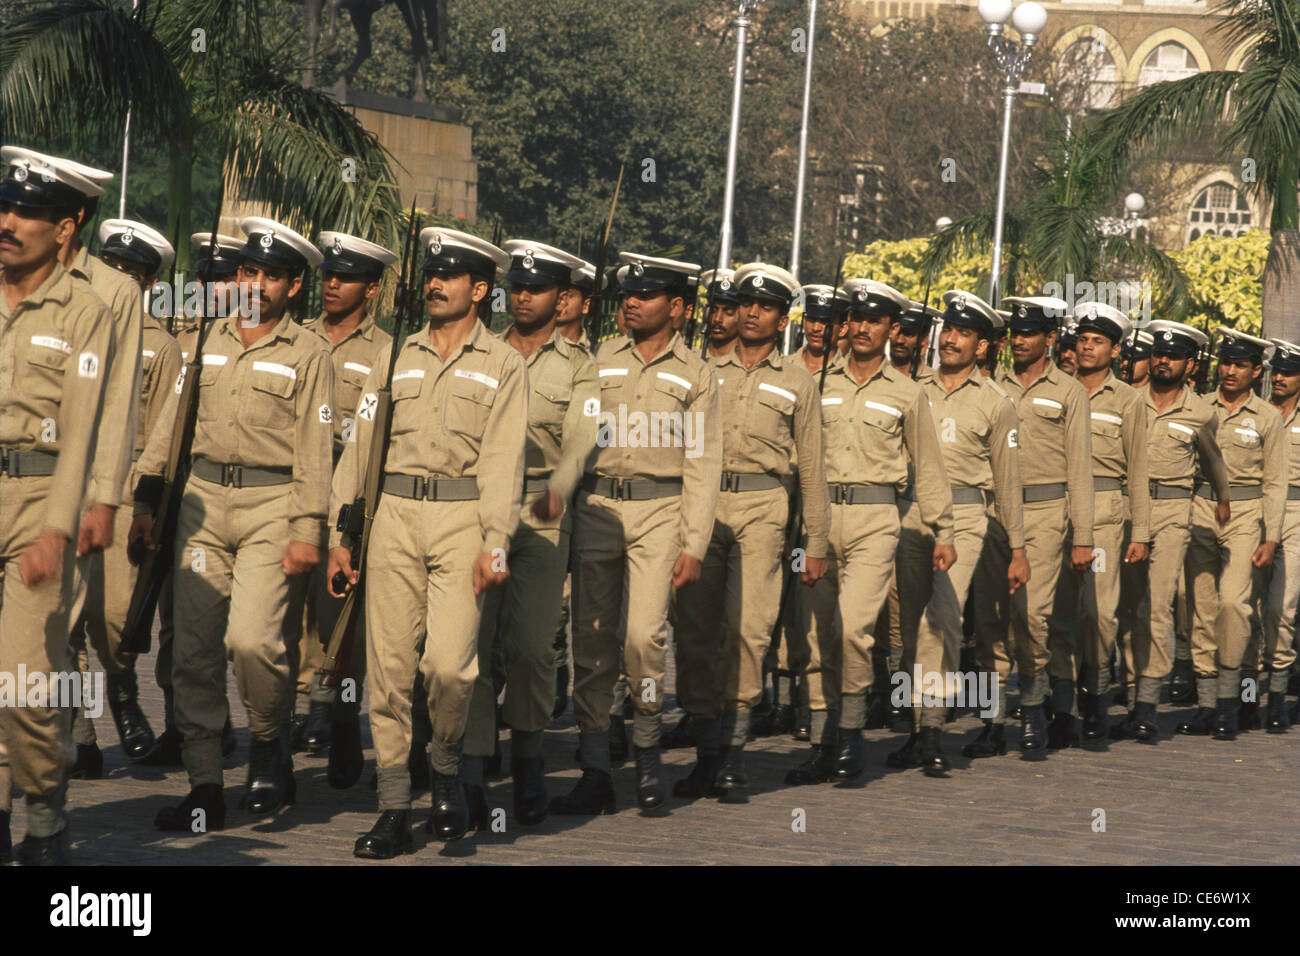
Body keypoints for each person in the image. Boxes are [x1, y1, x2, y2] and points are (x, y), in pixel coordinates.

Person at [328, 227, 525, 855]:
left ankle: (444, 764)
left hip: (463, 521)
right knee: (386, 672)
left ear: (481, 289)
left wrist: (497, 540)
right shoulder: (394, 355)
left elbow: (503, 462)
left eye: (451, 276)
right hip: (393, 517)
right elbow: (360, 446)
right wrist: (342, 532)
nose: (435, 284)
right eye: (432, 275)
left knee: (449, 667)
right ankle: (392, 806)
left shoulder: (504, 365)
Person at [133, 217, 334, 830]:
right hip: (199, 503)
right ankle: (203, 785)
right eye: (250, 270)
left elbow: (316, 448)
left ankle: (269, 744)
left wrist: (308, 530)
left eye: (273, 275)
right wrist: (146, 501)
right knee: (193, 652)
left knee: (252, 641)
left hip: (273, 508)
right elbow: (170, 425)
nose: (258, 283)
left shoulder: (309, 352)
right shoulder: (203, 340)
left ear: (294, 287)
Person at [554, 252, 722, 814]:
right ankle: (596, 767)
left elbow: (703, 465)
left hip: (661, 513)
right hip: (600, 507)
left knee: (643, 640)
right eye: (628, 293)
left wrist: (694, 543)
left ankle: (648, 753)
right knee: (591, 644)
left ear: (676, 307)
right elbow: (578, 439)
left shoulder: (696, 374)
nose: (631, 301)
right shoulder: (599, 359)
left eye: (646, 294)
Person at [672, 263, 828, 803]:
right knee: (693, 632)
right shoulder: (698, 371)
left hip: (765, 505)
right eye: (744, 305)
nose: (753, 313)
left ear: (783, 318)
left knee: (749, 629)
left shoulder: (797, 382)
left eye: (764, 307)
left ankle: (733, 754)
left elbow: (811, 466)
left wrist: (816, 543)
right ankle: (704, 752)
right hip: (704, 504)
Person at [0, 148, 114, 863]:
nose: (7, 223)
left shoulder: (88, 312)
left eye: (27, 214)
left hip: (41, 501)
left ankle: (45, 814)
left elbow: (81, 432)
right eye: (4, 208)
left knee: (23, 686)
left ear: (66, 228)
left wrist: (57, 526)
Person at [461, 240, 598, 828]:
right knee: (475, 643)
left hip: (542, 514)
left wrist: (559, 491)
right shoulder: (483, 354)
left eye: (535, 289)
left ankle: (530, 760)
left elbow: (582, 439)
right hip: (480, 507)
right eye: (516, 287)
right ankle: (469, 771)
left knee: (532, 646)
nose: (522, 297)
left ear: (561, 298)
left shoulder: (579, 367)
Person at [811, 278, 953, 781]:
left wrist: (945, 530)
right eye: (857, 319)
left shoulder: (908, 393)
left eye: (875, 320)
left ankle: (850, 738)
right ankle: (823, 740)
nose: (863, 328)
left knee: (853, 627)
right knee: (820, 636)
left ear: (893, 329)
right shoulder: (820, 383)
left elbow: (929, 467)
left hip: (876, 521)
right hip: (820, 518)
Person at [68, 218, 182, 771]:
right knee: (61, 623)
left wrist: (147, 506)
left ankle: (122, 687)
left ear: (150, 285)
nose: (118, 281)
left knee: (113, 620)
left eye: (131, 274)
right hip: (63, 480)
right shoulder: (66, 323)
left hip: (122, 488)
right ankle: (83, 735)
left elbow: (161, 430)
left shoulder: (161, 348)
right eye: (111, 268)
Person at [898, 290, 1027, 771]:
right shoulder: (912, 390)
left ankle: (932, 729)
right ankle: (914, 727)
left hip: (970, 517)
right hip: (912, 514)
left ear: (983, 347)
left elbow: (1009, 482)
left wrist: (1017, 548)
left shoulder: (998, 404)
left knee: (943, 618)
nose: (950, 339)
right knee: (911, 624)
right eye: (947, 330)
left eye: (964, 333)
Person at [290, 231, 396, 788]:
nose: (333, 284)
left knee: (341, 620)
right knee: (291, 616)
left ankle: (339, 716)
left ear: (372, 289)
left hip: (349, 495)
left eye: (347, 277)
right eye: (328, 274)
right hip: (293, 492)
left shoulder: (386, 353)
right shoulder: (299, 340)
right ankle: (299, 714)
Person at [975, 296, 1093, 754]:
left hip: (1046, 514)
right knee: (988, 621)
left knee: (1030, 617)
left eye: (1029, 334)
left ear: (1049, 339)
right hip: (994, 513)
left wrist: (1082, 537)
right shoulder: (990, 387)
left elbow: (1081, 471)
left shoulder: (1069, 392)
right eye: (1014, 333)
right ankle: (989, 721)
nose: (1018, 341)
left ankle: (1032, 711)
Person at [1112, 321, 1228, 741]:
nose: (1163, 361)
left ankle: (1147, 702)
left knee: (1157, 605)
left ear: (1190, 364)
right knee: (1124, 607)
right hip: (1126, 506)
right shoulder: (1127, 400)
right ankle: (1128, 696)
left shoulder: (1201, 413)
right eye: (1158, 354)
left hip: (1174, 510)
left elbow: (1214, 468)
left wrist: (1223, 508)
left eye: (1173, 356)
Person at [1046, 303, 1150, 748]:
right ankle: (1063, 708)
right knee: (1058, 614)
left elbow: (1140, 469)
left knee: (1099, 614)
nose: (1087, 347)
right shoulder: (1058, 390)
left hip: (1107, 510)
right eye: (1083, 340)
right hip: (1058, 507)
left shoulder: (1128, 400)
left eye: (1098, 342)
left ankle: (1096, 696)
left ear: (1115, 350)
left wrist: (1141, 531)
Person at [1179, 328, 1285, 741]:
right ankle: (1208, 704)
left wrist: (1270, 535)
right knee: (1199, 607)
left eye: (1239, 365)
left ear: (1256, 371)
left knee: (1234, 604)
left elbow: (1275, 482)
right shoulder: (1200, 407)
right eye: (1226, 363)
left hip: (1246, 512)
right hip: (1201, 508)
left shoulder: (1267, 418)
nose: (1230, 371)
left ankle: (1232, 701)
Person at [1258, 338, 1300, 731]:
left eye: (1289, 373)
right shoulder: (1259, 412)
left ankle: (1276, 699)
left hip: (1297, 514)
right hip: (1256, 510)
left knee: (1281, 608)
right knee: (1248, 607)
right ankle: (1246, 696)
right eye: (1277, 373)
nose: (1281, 379)